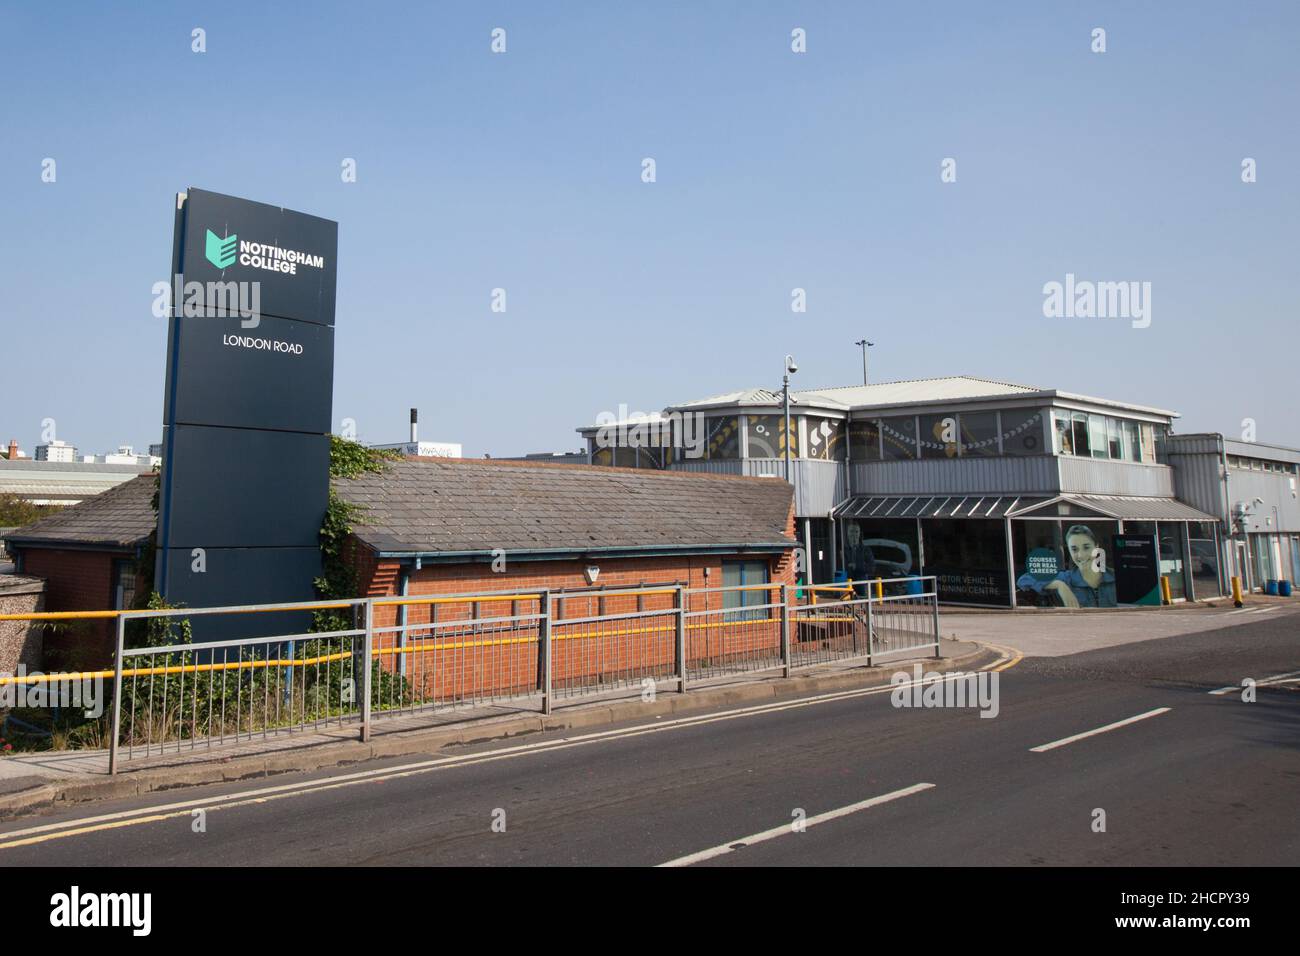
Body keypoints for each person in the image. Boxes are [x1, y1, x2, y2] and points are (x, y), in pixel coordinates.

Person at [1016, 525, 1117, 608]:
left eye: (1086, 547)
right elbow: (1024, 580)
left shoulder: (1115, 576)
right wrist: (1059, 585)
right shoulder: (1066, 578)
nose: (1080, 555)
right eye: (1074, 549)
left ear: (1096, 546)